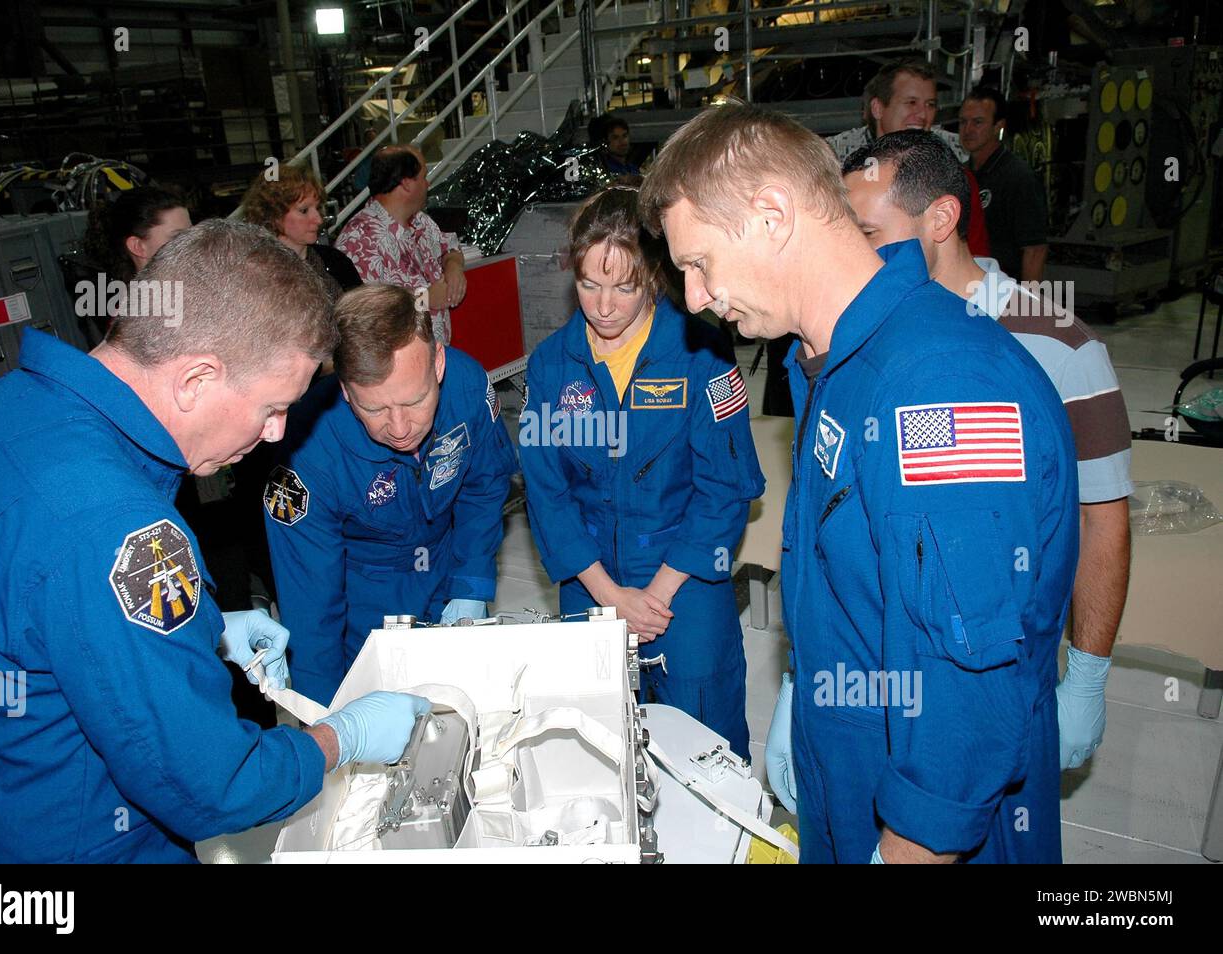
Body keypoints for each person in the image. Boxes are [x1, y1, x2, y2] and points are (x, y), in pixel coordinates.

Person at [639, 104, 1080, 863]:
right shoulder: (831, 364)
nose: (697, 296)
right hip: (846, 783)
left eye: (699, 262)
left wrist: (906, 847)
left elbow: (967, 694)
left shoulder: (938, 386)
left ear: (771, 214)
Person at [0, 220, 428, 863]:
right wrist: (341, 738)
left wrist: (199, 624)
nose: (277, 434)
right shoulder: (117, 526)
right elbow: (215, 786)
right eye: (272, 407)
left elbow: (36, 615)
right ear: (196, 380)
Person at [842, 130, 1133, 771]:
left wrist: (1086, 675)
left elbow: (1100, 519)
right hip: (877, 665)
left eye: (863, 234)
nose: (847, 255)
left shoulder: (1063, 348)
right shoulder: (862, 343)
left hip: (999, 672)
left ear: (942, 218)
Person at [519, 187, 764, 757]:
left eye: (624, 287)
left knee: (706, 741)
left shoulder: (702, 353)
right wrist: (608, 597)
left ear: (653, 276)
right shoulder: (553, 366)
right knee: (597, 742)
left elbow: (724, 488)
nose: (603, 306)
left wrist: (653, 595)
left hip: (684, 576)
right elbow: (548, 496)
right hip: (590, 576)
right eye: (589, 284)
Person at [263, 284, 516, 704]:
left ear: (438, 363)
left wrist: (471, 582)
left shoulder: (468, 387)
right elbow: (311, 605)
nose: (399, 429)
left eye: (415, 401)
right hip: (364, 594)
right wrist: (327, 720)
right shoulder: (306, 453)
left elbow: (484, 486)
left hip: (450, 563)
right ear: (346, 390)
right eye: (376, 409)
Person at [825, 59, 989, 258]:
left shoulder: (954, 179)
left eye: (930, 104)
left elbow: (977, 257)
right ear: (877, 108)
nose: (922, 114)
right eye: (911, 102)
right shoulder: (838, 179)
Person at [335, 146, 466, 344]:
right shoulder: (359, 239)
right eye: (423, 176)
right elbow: (364, 313)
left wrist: (454, 266)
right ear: (406, 184)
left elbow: (449, 247)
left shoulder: (422, 222)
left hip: (434, 355)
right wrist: (425, 299)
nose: (427, 183)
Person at [959, 85, 1050, 283]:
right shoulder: (961, 175)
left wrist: (1026, 306)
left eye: (978, 122)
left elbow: (1035, 249)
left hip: (1004, 290)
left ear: (998, 126)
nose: (968, 130)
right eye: (963, 122)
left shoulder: (1018, 177)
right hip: (969, 288)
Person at [79, 185, 191, 343]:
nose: (192, 245)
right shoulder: (136, 321)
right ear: (138, 247)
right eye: (177, 238)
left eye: (191, 235)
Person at [239, 164, 362, 299]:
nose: (318, 219)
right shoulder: (256, 275)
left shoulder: (336, 261)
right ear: (274, 216)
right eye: (304, 210)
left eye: (318, 208)